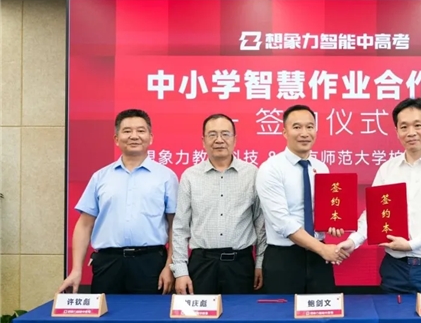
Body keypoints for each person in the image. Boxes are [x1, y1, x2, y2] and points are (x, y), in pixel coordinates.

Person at [332, 98, 421, 294]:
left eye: (417, 125)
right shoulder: (388, 169)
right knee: (392, 314)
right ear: (397, 131)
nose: (411, 132)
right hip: (395, 269)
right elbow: (374, 214)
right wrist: (353, 241)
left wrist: (411, 245)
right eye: (404, 127)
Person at [58, 109, 178, 294]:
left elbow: (175, 226)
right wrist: (76, 270)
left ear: (150, 137)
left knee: (150, 312)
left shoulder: (166, 177)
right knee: (106, 312)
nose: (134, 136)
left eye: (140, 131)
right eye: (127, 131)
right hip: (108, 263)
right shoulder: (100, 177)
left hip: (151, 263)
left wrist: (170, 265)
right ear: (116, 138)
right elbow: (84, 225)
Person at [255, 105, 348, 294]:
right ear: (285, 132)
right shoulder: (270, 168)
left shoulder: (321, 168)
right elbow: (282, 222)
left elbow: (324, 211)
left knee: (323, 310)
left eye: (310, 127)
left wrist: (333, 224)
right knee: (284, 312)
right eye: (297, 127)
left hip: (318, 258)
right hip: (284, 258)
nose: (304, 133)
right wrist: (322, 249)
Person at [170, 114, 266, 294]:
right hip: (202, 264)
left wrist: (260, 263)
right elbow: (180, 228)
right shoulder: (190, 176)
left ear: (235, 139)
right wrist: (181, 271)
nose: (219, 140)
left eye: (225, 134)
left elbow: (260, 224)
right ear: (203, 141)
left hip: (240, 265)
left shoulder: (252, 173)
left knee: (241, 312)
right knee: (202, 312)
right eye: (212, 134)